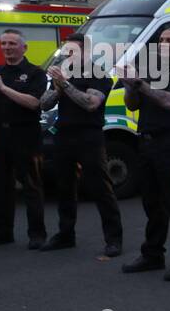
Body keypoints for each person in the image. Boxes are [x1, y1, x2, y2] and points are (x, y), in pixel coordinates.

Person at [120, 27, 170, 280]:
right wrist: (130, 88)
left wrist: (139, 85)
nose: (164, 43)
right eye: (162, 39)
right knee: (152, 203)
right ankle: (153, 254)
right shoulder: (151, 69)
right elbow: (132, 104)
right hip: (146, 143)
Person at [38, 33, 123, 257]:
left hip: (89, 137)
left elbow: (91, 104)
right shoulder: (64, 74)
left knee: (100, 188)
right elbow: (44, 104)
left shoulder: (99, 74)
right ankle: (65, 235)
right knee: (64, 188)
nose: (68, 56)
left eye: (72, 52)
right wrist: (58, 86)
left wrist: (64, 84)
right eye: (65, 52)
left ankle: (114, 238)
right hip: (64, 136)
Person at [0, 29, 48, 248]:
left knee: (31, 186)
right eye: (3, 43)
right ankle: (1, 231)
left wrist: (2, 87)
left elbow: (34, 103)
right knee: (1, 186)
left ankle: (37, 234)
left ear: (24, 47)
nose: (6, 47)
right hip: (0, 135)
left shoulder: (35, 73)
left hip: (25, 135)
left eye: (12, 43)